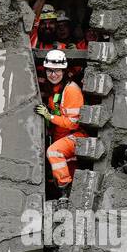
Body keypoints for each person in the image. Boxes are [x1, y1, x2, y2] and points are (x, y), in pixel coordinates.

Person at [35, 49, 85, 188]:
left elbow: (73, 124)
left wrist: (49, 116)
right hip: (63, 136)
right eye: (49, 70)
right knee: (69, 170)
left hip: (76, 136)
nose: (53, 74)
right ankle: (67, 194)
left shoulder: (71, 90)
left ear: (64, 71)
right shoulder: (55, 90)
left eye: (57, 70)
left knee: (54, 151)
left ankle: (66, 189)